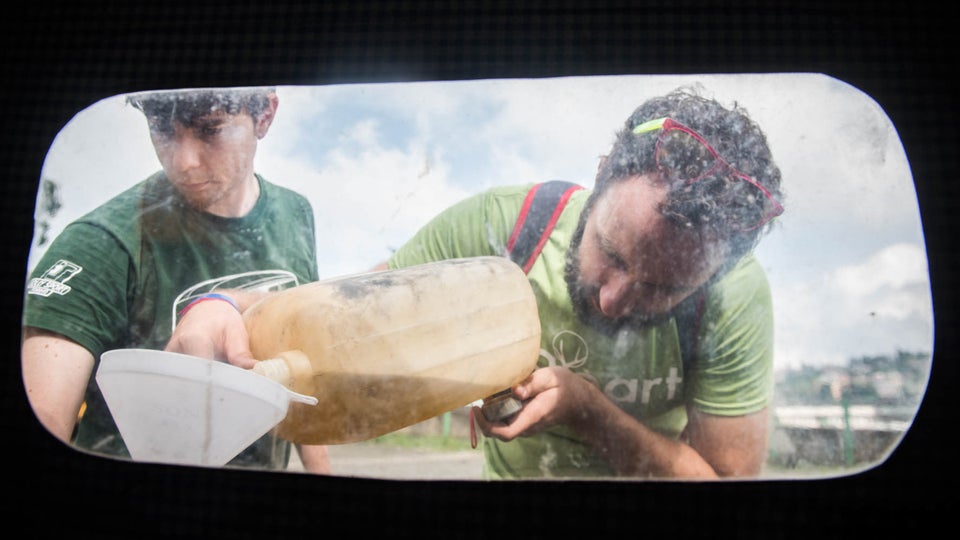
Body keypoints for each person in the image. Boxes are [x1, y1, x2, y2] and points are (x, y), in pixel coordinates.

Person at [165, 87, 784, 480]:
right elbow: (344, 312)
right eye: (610, 253)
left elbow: (722, 483)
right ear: (598, 179)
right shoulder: (504, 225)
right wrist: (221, 304)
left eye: (661, 289)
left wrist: (589, 411)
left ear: (714, 273)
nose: (613, 297)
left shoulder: (733, 300)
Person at [21, 87, 330, 473]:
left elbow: (302, 367)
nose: (183, 162)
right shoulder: (99, 241)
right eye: (162, 130)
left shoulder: (296, 213)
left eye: (210, 129)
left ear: (264, 116)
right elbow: (43, 419)